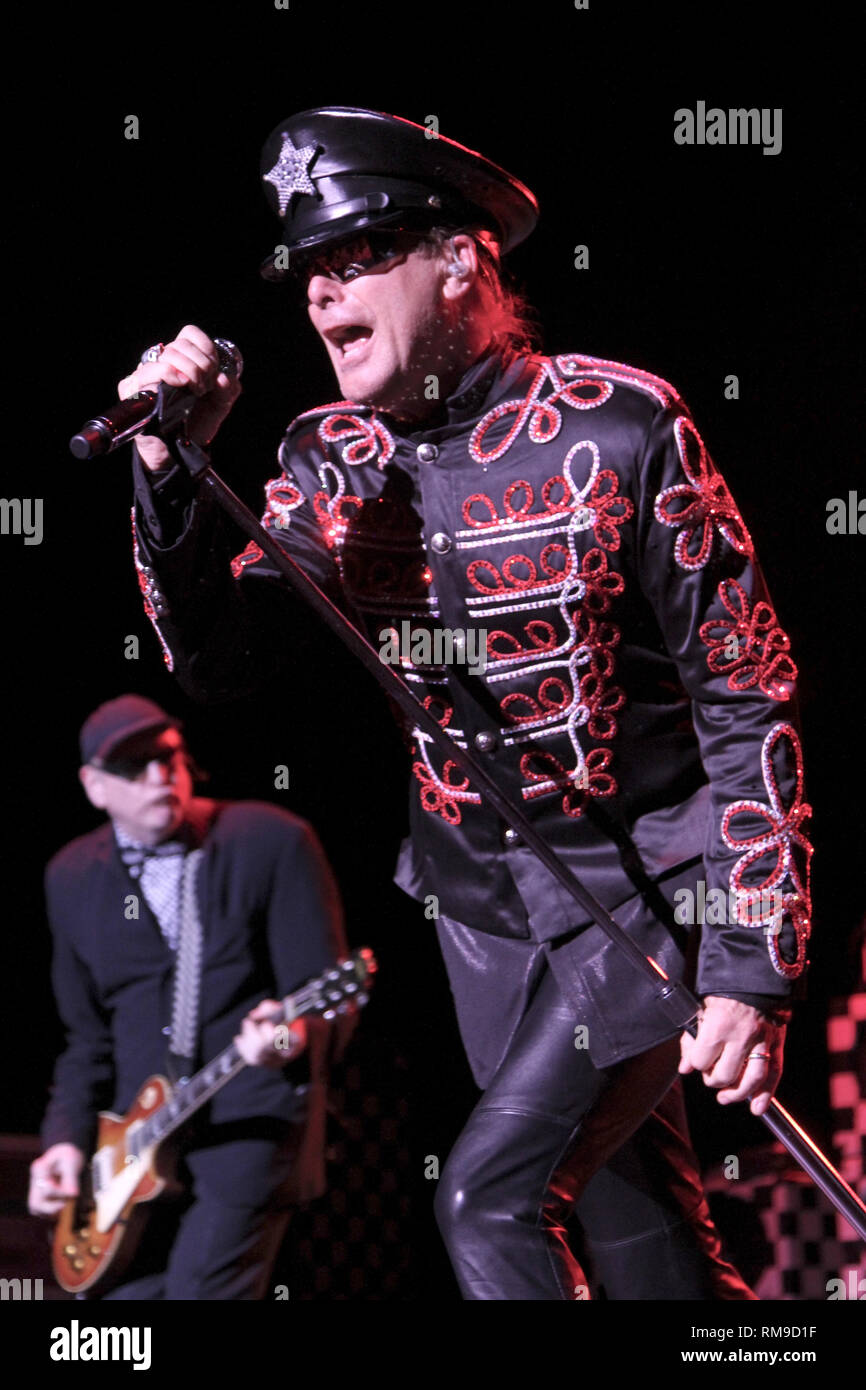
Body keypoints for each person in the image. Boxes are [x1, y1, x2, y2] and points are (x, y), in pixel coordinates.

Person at [116, 108, 813, 1299]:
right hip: (481, 914)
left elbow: (745, 692)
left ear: (458, 261)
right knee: (653, 1265)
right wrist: (174, 473)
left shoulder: (621, 421)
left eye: (359, 258)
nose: (324, 293)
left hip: (642, 893)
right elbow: (226, 662)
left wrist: (753, 960)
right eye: (311, 273)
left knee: (487, 1201)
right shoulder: (327, 457)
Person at [28, 693, 350, 1300]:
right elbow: (85, 1040)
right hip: (132, 1155)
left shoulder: (269, 840)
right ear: (94, 786)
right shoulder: (69, 876)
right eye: (133, 763)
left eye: (168, 756)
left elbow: (326, 999)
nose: (158, 774)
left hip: (247, 1127)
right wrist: (65, 1142)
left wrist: (286, 1039)